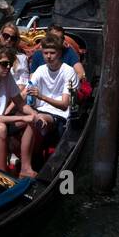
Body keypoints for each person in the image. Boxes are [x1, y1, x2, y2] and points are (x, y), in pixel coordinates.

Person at [19, 38, 80, 178]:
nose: (48, 56)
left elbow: (65, 105)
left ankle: (25, 168)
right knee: (16, 121)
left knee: (33, 120)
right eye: (45, 53)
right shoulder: (41, 70)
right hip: (39, 111)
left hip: (58, 115)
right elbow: (24, 93)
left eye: (52, 53)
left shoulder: (69, 72)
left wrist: (41, 97)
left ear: (59, 53)